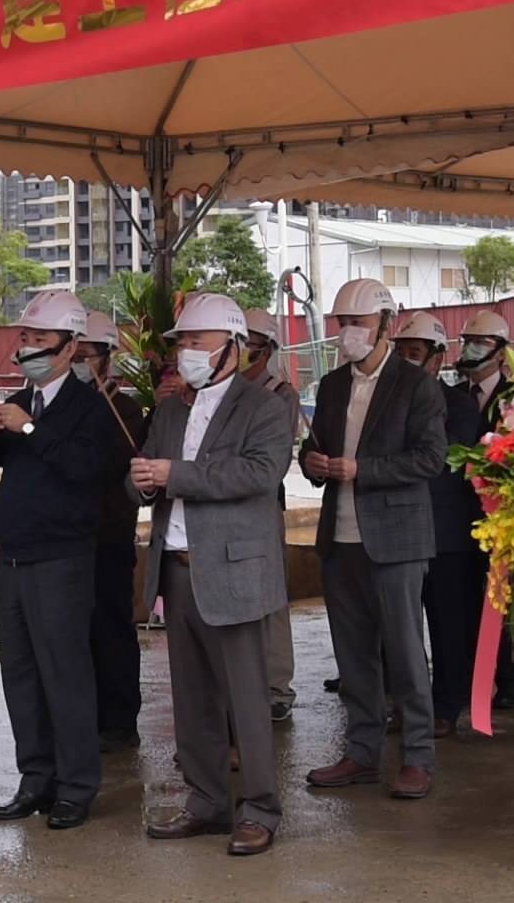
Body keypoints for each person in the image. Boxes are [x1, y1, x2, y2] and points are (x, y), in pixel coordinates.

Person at [133, 292, 293, 857]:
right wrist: (144, 480)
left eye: (195, 342)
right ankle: (205, 802)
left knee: (245, 698)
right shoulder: (173, 406)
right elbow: (146, 470)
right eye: (181, 342)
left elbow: (257, 473)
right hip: (175, 569)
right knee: (192, 696)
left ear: (231, 347)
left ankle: (259, 809)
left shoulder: (266, 407)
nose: (185, 352)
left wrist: (175, 473)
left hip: (232, 571)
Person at [0, 290, 114, 829]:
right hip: (14, 556)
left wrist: (29, 427)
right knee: (21, 672)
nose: (26, 348)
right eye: (24, 339)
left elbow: (82, 468)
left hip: (63, 558)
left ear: (70, 348)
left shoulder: (90, 406)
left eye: (39, 340)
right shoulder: (16, 400)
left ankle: (76, 784)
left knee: (65, 672)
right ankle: (36, 777)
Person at [302, 280, 447, 799]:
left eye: (358, 324)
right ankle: (362, 752)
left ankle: (418, 757)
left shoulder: (416, 385)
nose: (348, 334)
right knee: (353, 652)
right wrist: (313, 464)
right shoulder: (333, 384)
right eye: (342, 324)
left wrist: (362, 469)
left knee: (406, 652)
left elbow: (430, 459)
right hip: (338, 539)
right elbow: (313, 445)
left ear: (387, 324)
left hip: (396, 540)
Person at [392, 312, 485, 738]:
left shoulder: (460, 407)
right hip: (399, 534)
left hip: (447, 537)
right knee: (403, 628)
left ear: (436, 358)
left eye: (415, 353)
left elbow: (445, 463)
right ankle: (409, 705)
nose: (406, 360)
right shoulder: (384, 402)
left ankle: (446, 707)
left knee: (449, 626)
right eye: (401, 353)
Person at [75, 311, 148, 754]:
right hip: (69, 538)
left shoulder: (123, 408)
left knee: (112, 630)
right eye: (75, 354)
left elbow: (108, 466)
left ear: (106, 358)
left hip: (110, 535)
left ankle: (121, 719)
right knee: (77, 633)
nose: (80, 362)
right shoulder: (57, 403)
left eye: (87, 355)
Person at [455, 309, 514, 711]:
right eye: (468, 340)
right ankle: (473, 671)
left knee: (502, 598)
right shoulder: (454, 396)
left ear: (501, 352)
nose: (471, 349)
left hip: (502, 516)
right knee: (468, 600)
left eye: (481, 343)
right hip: (462, 515)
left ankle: (511, 674)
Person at [242, 307, 303, 723]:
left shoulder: (281, 394)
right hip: (217, 512)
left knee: (270, 599)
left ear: (265, 351)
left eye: (248, 344)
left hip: (263, 507)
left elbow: (269, 463)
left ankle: (276, 686)